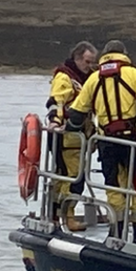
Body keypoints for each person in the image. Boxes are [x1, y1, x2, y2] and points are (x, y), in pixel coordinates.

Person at [66, 40, 136, 242]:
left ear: (105, 55)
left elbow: (78, 112)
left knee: (113, 185)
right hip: (133, 140)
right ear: (124, 54)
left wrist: (68, 129)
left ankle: (116, 230)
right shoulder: (135, 75)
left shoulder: (93, 78)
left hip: (106, 140)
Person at [45, 41, 97, 231]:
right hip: (65, 137)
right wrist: (55, 120)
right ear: (77, 58)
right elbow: (56, 101)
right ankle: (65, 216)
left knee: (69, 178)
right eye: (87, 61)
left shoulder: (88, 78)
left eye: (92, 62)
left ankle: (57, 215)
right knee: (71, 179)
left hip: (80, 138)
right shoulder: (65, 77)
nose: (90, 66)